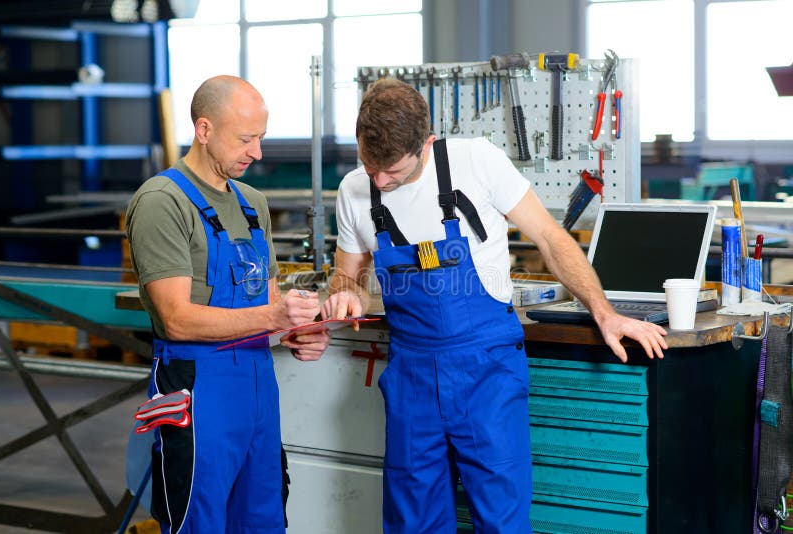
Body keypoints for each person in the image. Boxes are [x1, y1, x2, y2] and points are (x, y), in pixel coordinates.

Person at [321, 78, 667, 533]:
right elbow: (347, 275)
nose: (381, 181)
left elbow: (550, 238)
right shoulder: (354, 190)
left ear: (427, 143)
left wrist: (603, 312)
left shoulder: (475, 161)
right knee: (412, 522)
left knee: (501, 521)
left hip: (486, 371)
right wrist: (344, 292)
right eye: (371, 167)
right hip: (411, 376)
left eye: (394, 171)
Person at [125, 75, 329, 534]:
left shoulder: (253, 203)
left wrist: (299, 331)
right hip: (199, 392)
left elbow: (268, 304)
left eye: (261, 138)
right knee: (200, 521)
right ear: (204, 129)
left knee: (263, 519)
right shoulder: (163, 202)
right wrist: (273, 316)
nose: (257, 152)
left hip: (258, 392)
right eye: (245, 139)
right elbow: (176, 320)